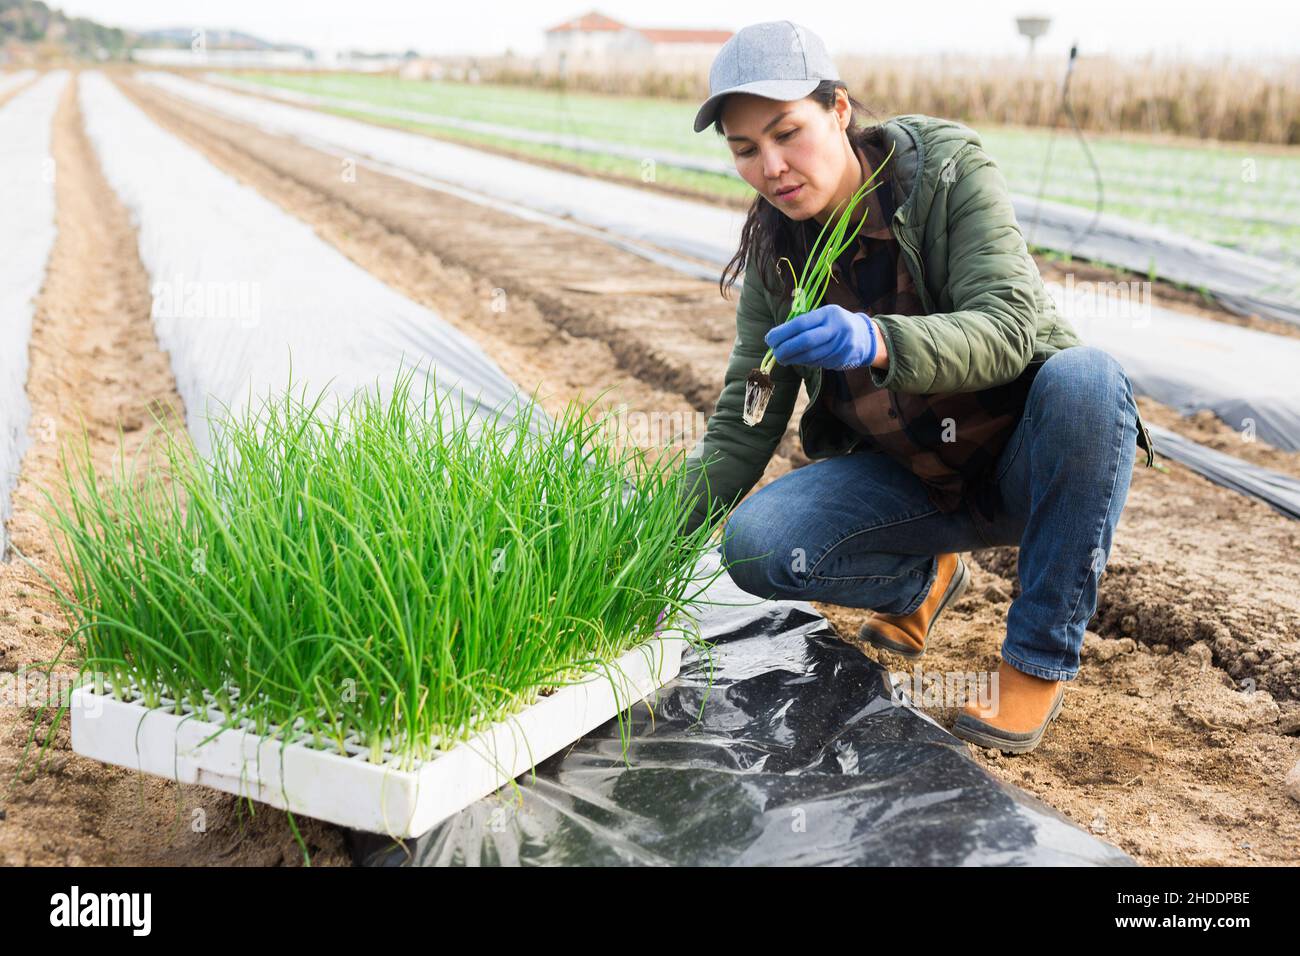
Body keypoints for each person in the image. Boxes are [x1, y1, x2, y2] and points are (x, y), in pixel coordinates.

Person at [679, 20, 1156, 754]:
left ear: (839, 111)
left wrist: (876, 339)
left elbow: (1008, 327)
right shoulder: (776, 257)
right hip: (912, 482)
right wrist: (642, 544)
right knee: (754, 547)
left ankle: (1034, 661)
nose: (772, 166)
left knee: (1088, 379)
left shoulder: (942, 172)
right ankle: (922, 583)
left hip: (1022, 459)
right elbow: (746, 419)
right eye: (746, 149)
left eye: (787, 132)